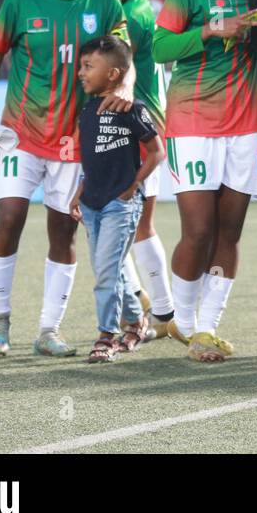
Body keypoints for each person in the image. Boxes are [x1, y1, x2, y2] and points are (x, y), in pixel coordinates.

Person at [0, 0, 128, 358]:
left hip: (74, 141)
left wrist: (125, 88)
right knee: (10, 218)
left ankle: (48, 330)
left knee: (63, 234)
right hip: (21, 133)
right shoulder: (21, 1)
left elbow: (122, 58)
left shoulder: (105, 2)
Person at [153, 0, 257, 362]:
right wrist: (210, 29)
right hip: (192, 121)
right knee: (198, 230)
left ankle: (206, 328)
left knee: (230, 230)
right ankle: (183, 323)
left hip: (245, 124)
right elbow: (162, 46)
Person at [94, 0, 175, 340]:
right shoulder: (127, 7)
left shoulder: (137, 15)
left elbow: (120, 68)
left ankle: (162, 315)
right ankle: (148, 307)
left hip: (140, 130)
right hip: (131, 127)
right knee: (118, 222)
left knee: (137, 225)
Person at [69, 36, 165, 363]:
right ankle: (137, 321)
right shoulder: (87, 109)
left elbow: (157, 152)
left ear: (113, 74)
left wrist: (133, 186)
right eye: (81, 66)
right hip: (92, 202)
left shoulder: (130, 108)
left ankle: (106, 336)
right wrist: (79, 194)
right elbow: (92, 160)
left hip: (120, 205)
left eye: (88, 66)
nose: (81, 73)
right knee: (109, 268)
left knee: (106, 273)